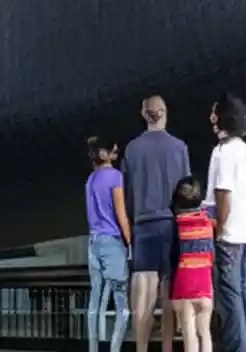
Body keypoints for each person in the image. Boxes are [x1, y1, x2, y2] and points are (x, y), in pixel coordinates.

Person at [122, 95, 190, 352]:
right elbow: (186, 191)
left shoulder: (131, 149)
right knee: (170, 293)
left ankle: (141, 348)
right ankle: (167, 347)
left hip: (143, 226)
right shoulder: (179, 148)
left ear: (144, 114)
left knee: (143, 297)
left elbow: (127, 193)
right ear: (164, 113)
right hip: (172, 225)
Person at [203, 93, 246, 352]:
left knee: (230, 297)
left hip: (230, 234)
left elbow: (223, 193)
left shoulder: (223, 152)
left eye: (215, 112)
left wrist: (219, 229)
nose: (211, 117)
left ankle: (237, 348)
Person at [84, 135, 132, 352]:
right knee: (122, 303)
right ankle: (114, 349)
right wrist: (129, 240)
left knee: (95, 301)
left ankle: (93, 348)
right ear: (108, 152)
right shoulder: (115, 177)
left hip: (93, 240)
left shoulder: (91, 179)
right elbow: (120, 213)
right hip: (111, 241)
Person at [169, 176, 215, 352]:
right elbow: (211, 255)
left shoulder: (177, 225)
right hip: (205, 284)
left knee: (189, 332)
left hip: (185, 286)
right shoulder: (208, 223)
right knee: (205, 332)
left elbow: (173, 258)